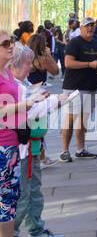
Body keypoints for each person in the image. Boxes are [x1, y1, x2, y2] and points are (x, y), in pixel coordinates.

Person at [0, 35, 49, 237]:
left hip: (12, 142)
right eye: (5, 44)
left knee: (9, 200)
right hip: (2, 144)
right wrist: (26, 104)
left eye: (11, 41)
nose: (11, 46)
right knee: (5, 200)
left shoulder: (7, 73)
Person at [11, 44, 66, 237]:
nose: (31, 67)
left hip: (31, 144)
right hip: (21, 147)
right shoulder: (13, 85)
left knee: (33, 189)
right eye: (27, 63)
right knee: (22, 194)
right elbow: (29, 110)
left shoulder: (20, 82)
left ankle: (35, 229)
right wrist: (53, 101)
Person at [59, 20, 97, 162]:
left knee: (83, 121)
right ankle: (65, 151)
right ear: (81, 28)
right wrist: (89, 64)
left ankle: (80, 150)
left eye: (92, 25)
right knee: (71, 120)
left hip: (90, 86)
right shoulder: (75, 42)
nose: (90, 28)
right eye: (87, 26)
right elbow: (68, 63)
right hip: (74, 87)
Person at [26, 33, 59, 166]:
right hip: (39, 93)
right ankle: (41, 157)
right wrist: (48, 54)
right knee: (40, 126)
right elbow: (56, 71)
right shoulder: (42, 58)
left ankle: (39, 155)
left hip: (27, 93)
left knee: (32, 126)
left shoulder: (26, 58)